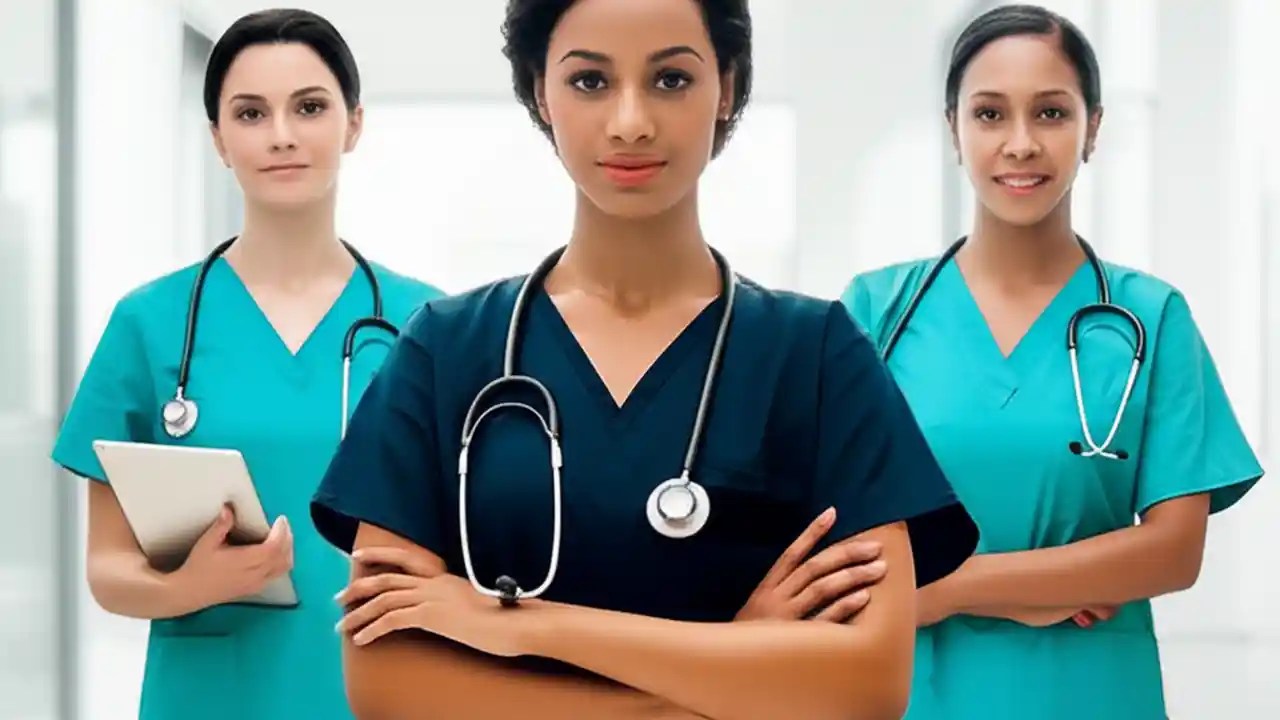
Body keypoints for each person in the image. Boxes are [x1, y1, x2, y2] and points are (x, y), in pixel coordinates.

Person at [310, 0, 978, 718]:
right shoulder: (445, 349)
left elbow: (869, 683)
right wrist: (728, 668)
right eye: (590, 82)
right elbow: (386, 685)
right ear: (541, 90)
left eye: (670, 80)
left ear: (727, 85)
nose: (630, 121)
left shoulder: (816, 355)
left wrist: (525, 627)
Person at [842, 5, 1265, 719]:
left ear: (1092, 128)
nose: (1020, 143)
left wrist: (949, 588)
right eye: (988, 114)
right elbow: (824, 536)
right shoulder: (875, 312)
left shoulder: (1150, 318)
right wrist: (1057, 581)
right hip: (911, 693)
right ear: (954, 129)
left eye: (1050, 113)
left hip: (1091, 693)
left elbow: (1173, 553)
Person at [50, 9, 443, 720]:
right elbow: (108, 571)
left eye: (310, 107)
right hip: (209, 696)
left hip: (379, 690)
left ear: (353, 124)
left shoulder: (430, 327)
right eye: (251, 113)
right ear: (218, 140)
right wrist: (190, 584)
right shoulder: (149, 323)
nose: (282, 135)